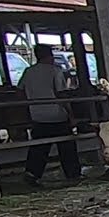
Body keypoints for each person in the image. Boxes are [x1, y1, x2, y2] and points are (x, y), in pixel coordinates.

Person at [19, 43, 79, 186]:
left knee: (39, 146)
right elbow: (61, 94)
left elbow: (19, 90)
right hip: (57, 115)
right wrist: (71, 115)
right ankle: (73, 174)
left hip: (38, 115)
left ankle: (32, 173)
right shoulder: (55, 71)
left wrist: (28, 106)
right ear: (49, 56)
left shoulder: (28, 71)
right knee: (66, 146)